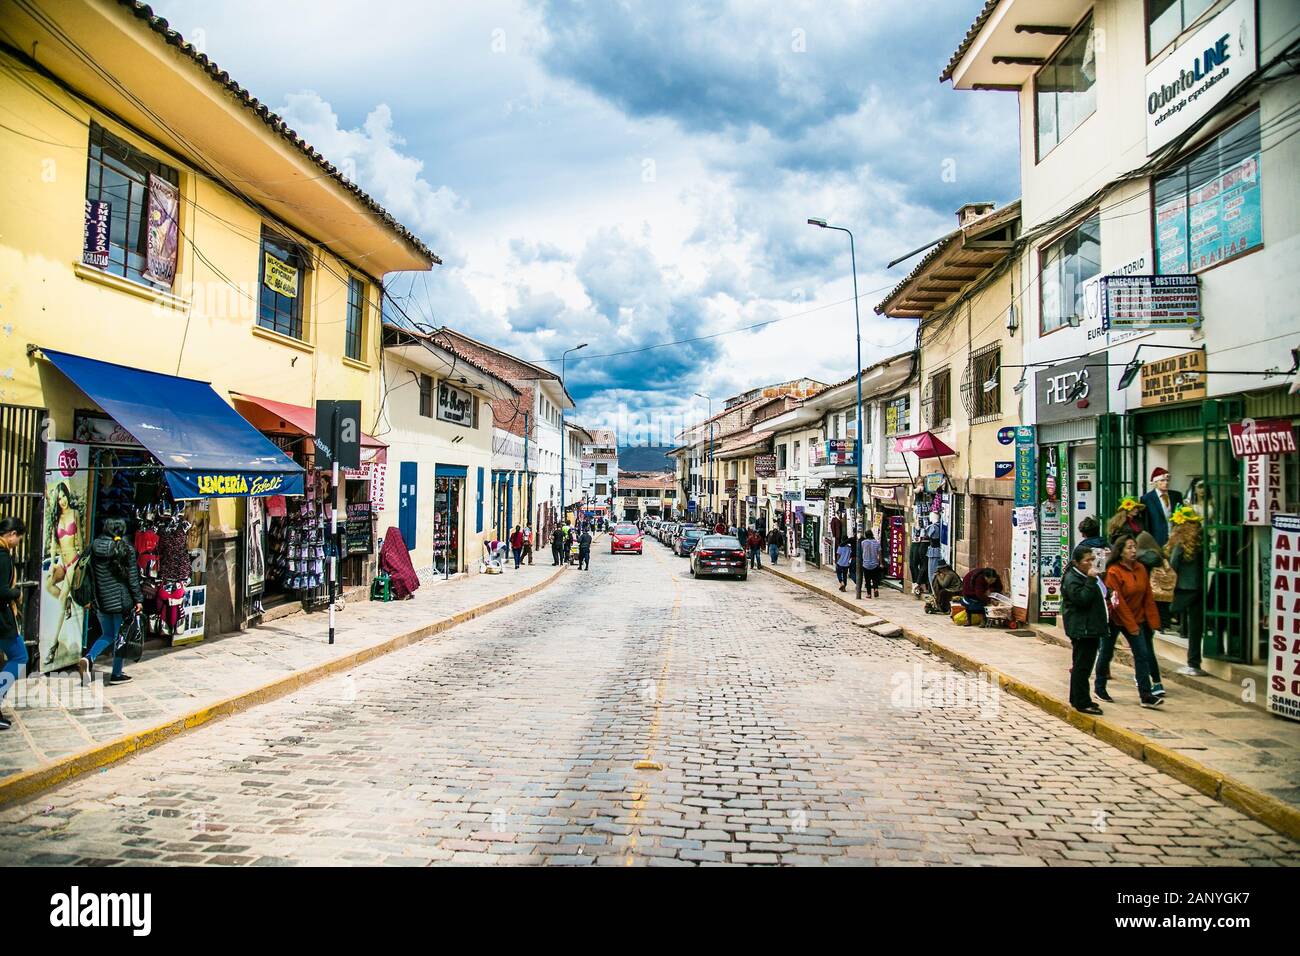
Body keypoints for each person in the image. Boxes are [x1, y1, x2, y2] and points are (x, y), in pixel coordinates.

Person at [1100, 533, 1165, 707]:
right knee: (1106, 653)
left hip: (1138, 618)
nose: (1133, 550)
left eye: (1135, 547)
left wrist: (1153, 621)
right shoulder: (1114, 571)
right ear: (1120, 551)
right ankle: (1100, 687)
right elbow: (1119, 602)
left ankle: (1146, 695)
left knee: (1142, 655)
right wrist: (1132, 626)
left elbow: (1147, 597)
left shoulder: (1141, 569)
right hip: (1116, 619)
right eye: (1129, 547)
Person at [79, 517, 143, 687]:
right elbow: (132, 578)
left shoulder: (93, 546)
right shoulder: (124, 549)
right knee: (120, 637)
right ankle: (116, 674)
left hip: (100, 601)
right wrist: (138, 599)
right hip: (121, 602)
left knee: (107, 634)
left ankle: (89, 658)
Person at [1061, 543, 1109, 715]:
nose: (1091, 563)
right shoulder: (1073, 579)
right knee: (1082, 666)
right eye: (1088, 560)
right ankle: (1081, 701)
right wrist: (1090, 579)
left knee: (1083, 665)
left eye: (1093, 559)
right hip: (1083, 629)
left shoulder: (1083, 575)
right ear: (1077, 562)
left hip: (1090, 627)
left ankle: (1078, 698)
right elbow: (1082, 600)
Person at [1167, 506, 1207, 677]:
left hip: (1183, 588)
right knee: (1195, 627)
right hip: (1199, 587)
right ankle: (1194, 662)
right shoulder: (1200, 540)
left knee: (1161, 614)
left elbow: (1174, 563)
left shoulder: (1180, 541)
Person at [0, 517, 28, 730]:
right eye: (18, 537)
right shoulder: (2, 557)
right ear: (11, 534)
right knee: (20, 657)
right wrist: (16, 592)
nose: (18, 541)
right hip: (1, 618)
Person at [1140, 467, 1184, 548]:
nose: (1166, 483)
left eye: (1167, 480)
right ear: (1155, 482)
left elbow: (1182, 517)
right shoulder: (1147, 499)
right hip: (1157, 540)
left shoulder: (1177, 495)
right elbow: (1146, 523)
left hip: (1176, 538)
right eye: (1162, 480)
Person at [860, 530, 882, 599]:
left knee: (867, 580)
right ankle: (875, 589)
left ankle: (869, 594)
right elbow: (880, 553)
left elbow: (862, 551)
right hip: (874, 563)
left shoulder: (863, 542)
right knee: (875, 578)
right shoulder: (877, 543)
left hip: (866, 564)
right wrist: (881, 563)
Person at [925, 513, 943, 586]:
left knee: (932, 573)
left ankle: (934, 590)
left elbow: (925, 534)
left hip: (934, 551)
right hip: (939, 550)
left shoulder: (933, 527)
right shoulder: (940, 525)